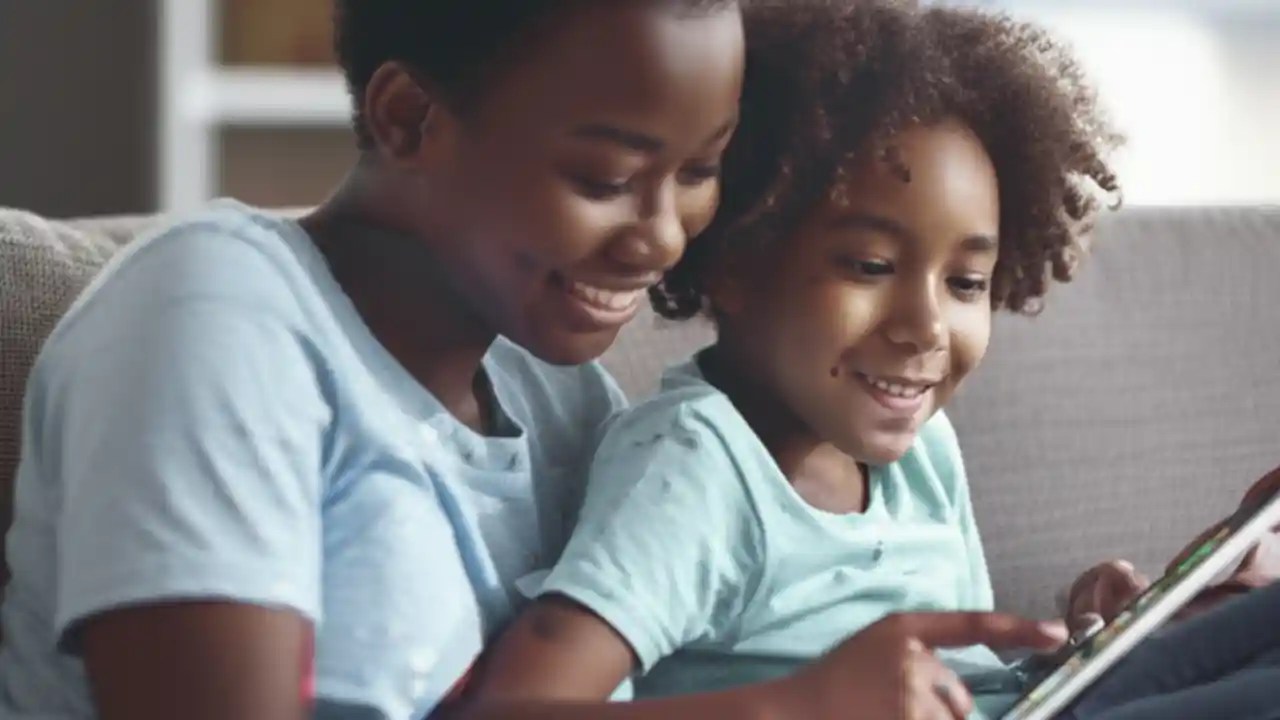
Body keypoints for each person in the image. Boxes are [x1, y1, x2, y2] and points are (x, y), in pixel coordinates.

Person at [0, 2, 1071, 720]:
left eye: (700, 171)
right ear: (410, 116)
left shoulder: (562, 404)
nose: (664, 239)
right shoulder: (219, 315)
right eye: (606, 177)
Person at [448, 3, 1280, 720]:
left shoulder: (921, 449)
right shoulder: (694, 466)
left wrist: (1098, 634)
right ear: (738, 260)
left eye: (965, 282)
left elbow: (966, 684)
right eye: (872, 268)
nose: (925, 326)